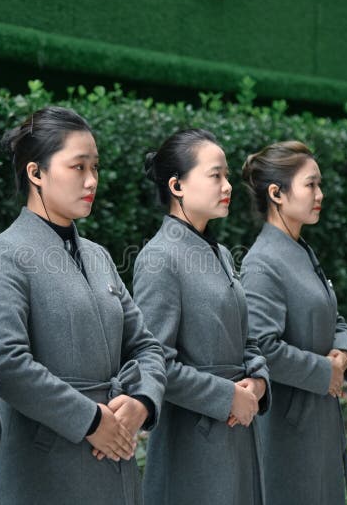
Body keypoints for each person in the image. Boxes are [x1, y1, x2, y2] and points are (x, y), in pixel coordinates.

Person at [0, 106, 166, 505]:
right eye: (78, 167)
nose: (91, 180)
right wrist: (90, 420)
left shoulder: (98, 256)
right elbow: (6, 363)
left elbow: (146, 345)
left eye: (95, 167)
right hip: (45, 470)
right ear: (35, 173)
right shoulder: (2, 255)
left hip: (117, 461)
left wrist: (143, 402)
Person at [133, 128, 271, 505]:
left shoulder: (221, 253)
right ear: (177, 185)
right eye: (215, 175)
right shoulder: (159, 258)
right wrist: (227, 396)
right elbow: (155, 361)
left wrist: (257, 382)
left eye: (226, 175)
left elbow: (249, 340)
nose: (227, 185)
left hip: (240, 432)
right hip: (194, 447)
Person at [240, 141, 347, 505]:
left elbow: (332, 314)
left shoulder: (301, 250)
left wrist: (343, 354)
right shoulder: (262, 263)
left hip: (320, 418)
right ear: (276, 193)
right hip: (290, 431)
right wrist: (325, 371)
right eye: (311, 185)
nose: (319, 194)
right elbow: (262, 348)